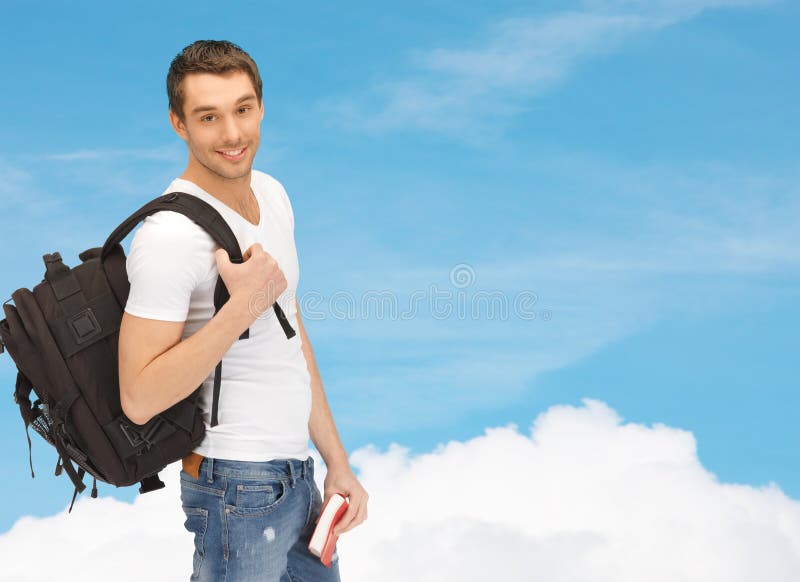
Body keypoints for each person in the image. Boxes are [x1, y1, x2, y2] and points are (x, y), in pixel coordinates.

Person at [117, 39, 367, 581]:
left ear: (260, 106)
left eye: (243, 109)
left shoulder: (273, 195)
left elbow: (290, 338)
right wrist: (240, 309)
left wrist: (335, 461)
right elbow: (138, 397)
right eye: (209, 117)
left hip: (296, 476)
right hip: (233, 484)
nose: (232, 134)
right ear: (179, 124)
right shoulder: (170, 237)